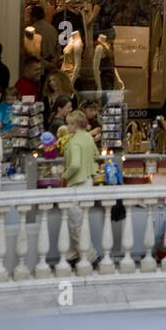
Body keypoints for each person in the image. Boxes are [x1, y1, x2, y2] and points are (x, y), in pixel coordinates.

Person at [63, 110, 99, 267]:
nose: (67, 126)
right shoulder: (88, 137)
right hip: (88, 182)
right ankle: (72, 254)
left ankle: (90, 256)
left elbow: (75, 164)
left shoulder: (74, 141)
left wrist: (65, 174)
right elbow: (96, 155)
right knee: (80, 222)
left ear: (74, 125)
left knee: (76, 224)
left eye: (68, 123)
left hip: (77, 184)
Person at [29, 3, 59, 70]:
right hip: (52, 65)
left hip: (39, 68)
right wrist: (54, 62)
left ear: (33, 17)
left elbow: (32, 52)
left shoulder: (32, 30)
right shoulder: (52, 28)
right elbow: (58, 48)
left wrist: (46, 64)